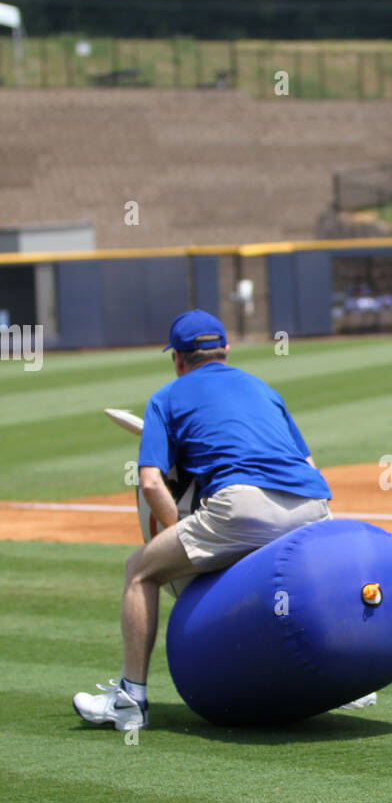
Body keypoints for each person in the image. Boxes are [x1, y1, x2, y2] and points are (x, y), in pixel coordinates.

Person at [73, 310, 333, 731]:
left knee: (140, 572)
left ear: (177, 358)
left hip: (241, 507)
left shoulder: (166, 396)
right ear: (226, 350)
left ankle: (130, 700)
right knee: (285, 582)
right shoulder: (265, 389)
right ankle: (345, 679)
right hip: (315, 506)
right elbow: (307, 462)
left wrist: (178, 531)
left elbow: (151, 482)